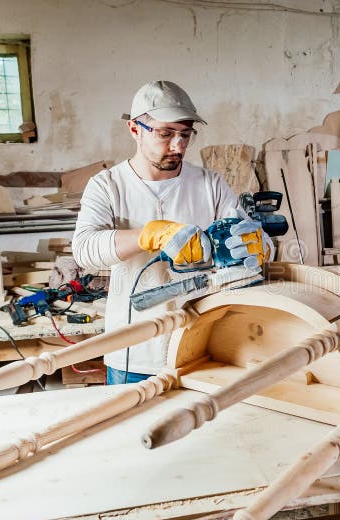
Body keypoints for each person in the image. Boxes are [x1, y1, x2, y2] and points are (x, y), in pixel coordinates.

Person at [72, 80, 273, 385]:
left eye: (185, 134)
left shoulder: (210, 184)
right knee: (131, 429)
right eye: (165, 134)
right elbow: (85, 249)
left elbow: (251, 238)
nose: (178, 146)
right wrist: (146, 236)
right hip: (134, 350)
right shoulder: (108, 185)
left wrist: (259, 245)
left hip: (203, 345)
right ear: (134, 129)